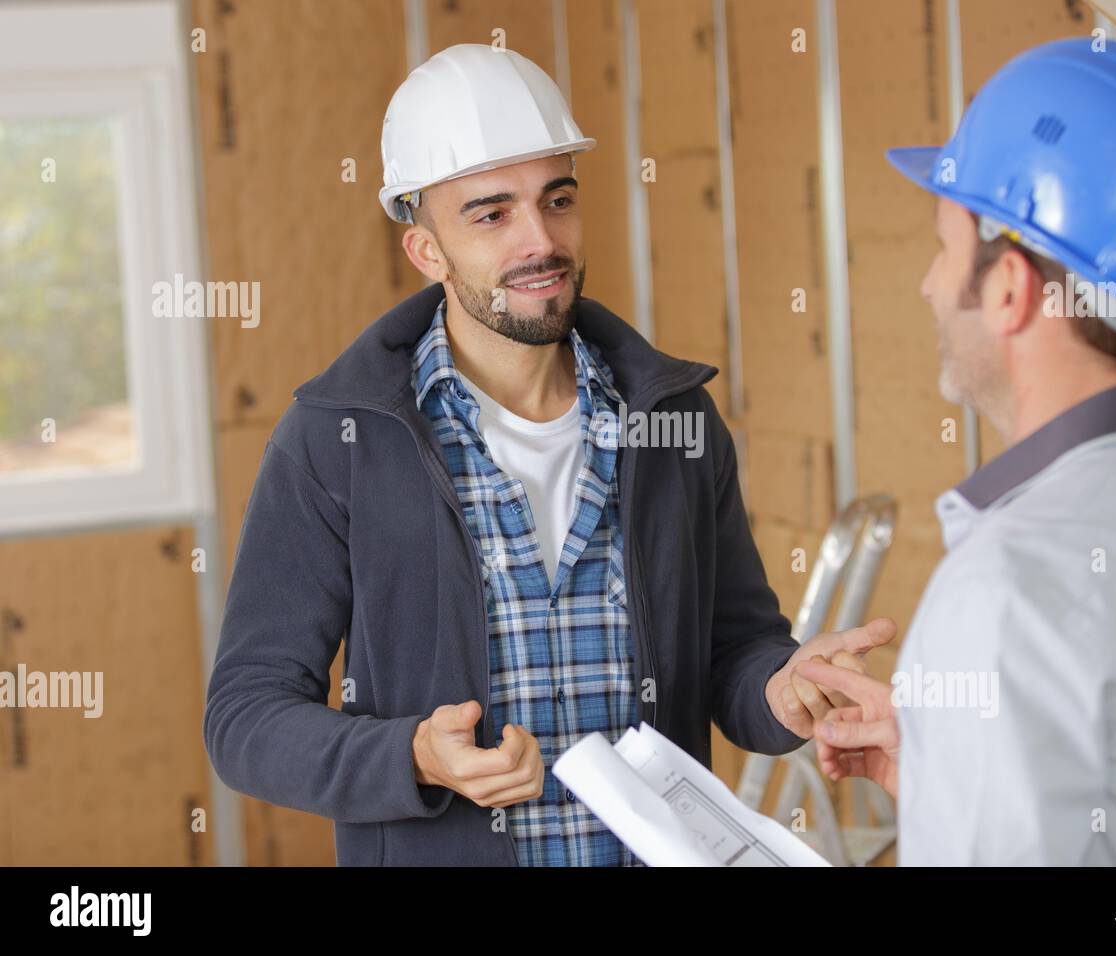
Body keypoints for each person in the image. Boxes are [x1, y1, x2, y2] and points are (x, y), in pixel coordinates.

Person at [204, 43, 875, 866]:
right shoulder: (339, 440)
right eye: (491, 214)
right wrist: (411, 756)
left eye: (557, 200)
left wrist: (782, 688)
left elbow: (733, 652)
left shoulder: (672, 420)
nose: (540, 241)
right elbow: (245, 717)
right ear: (427, 250)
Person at [800, 37, 1116, 865]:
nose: (929, 286)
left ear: (1008, 290)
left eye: (944, 247)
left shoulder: (1007, 594)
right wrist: (956, 773)